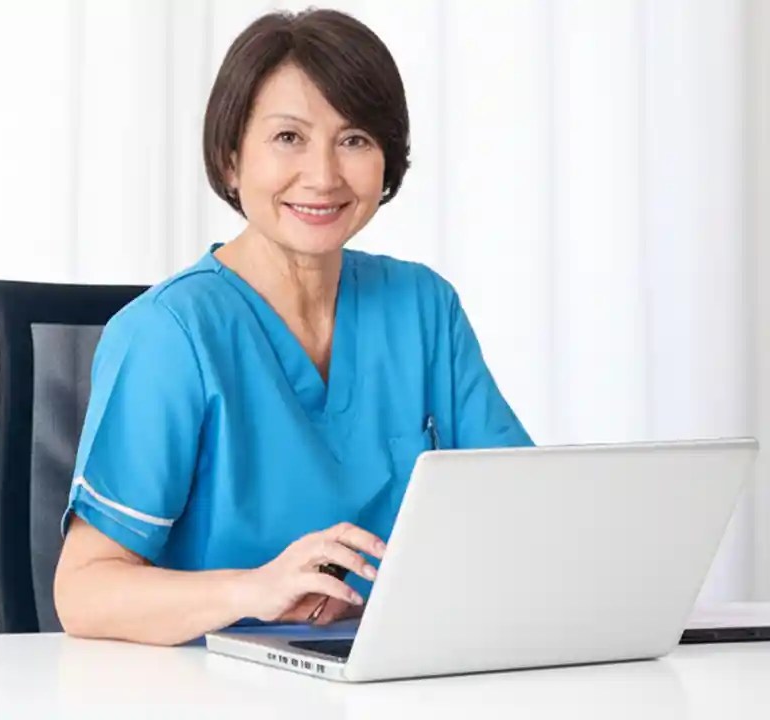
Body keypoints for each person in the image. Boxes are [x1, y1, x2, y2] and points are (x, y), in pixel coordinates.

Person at [54, 8, 532, 646]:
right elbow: (83, 592)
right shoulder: (171, 334)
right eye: (289, 137)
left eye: (355, 139)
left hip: (393, 678)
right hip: (210, 689)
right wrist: (254, 589)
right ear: (230, 159)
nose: (324, 176)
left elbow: (524, 514)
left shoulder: (423, 306)